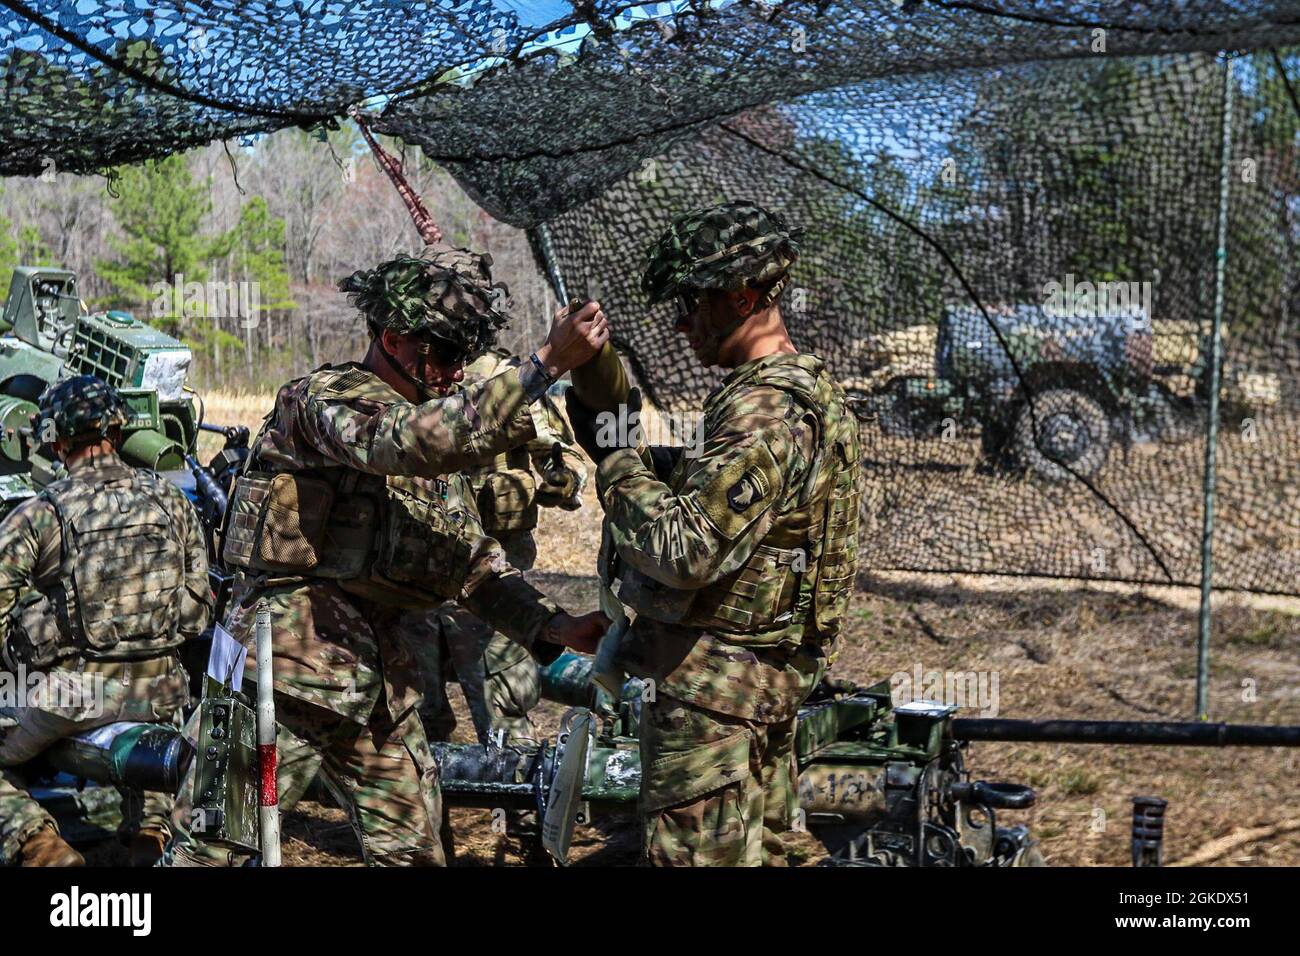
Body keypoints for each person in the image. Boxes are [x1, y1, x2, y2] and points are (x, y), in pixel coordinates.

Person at [168, 250, 608, 866]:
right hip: (284, 676)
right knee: (210, 848)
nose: (459, 372)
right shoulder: (325, 399)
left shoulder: (435, 450)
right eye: (449, 354)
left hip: (377, 688)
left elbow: (468, 560)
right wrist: (545, 365)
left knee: (416, 855)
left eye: (465, 355)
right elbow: (402, 440)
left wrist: (554, 624)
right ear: (395, 339)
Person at [566, 202, 862, 866]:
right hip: (759, 682)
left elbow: (685, 552)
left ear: (742, 295)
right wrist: (656, 462)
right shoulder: (804, 390)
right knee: (773, 851)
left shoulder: (765, 409)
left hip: (716, 698)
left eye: (692, 303)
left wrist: (616, 462)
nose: (681, 322)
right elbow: (746, 507)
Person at [0, 375, 211, 867]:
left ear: (55, 441)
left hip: (73, 698)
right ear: (117, 434)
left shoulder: (41, 513)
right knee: (151, 720)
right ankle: (150, 838)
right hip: (162, 691)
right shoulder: (172, 501)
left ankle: (45, 851)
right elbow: (197, 610)